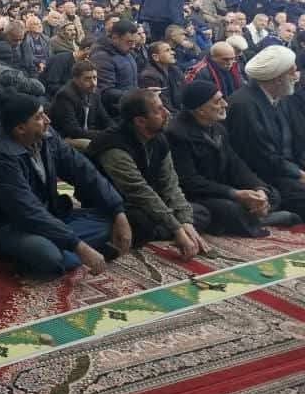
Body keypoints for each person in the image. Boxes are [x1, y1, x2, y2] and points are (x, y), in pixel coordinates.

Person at [0, 93, 131, 278]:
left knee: (110, 221)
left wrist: (118, 210)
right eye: (39, 117)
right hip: (7, 226)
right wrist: (80, 247)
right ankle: (58, 251)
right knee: (50, 257)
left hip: (49, 215)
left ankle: (63, 247)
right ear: (21, 128)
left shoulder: (47, 135)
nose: (48, 120)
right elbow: (27, 211)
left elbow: (82, 170)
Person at [89, 88, 211, 257]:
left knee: (200, 213)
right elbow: (139, 192)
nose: (166, 112)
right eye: (159, 110)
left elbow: (170, 184)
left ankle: (162, 229)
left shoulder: (159, 138)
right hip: (116, 206)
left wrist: (185, 222)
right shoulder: (113, 146)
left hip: (147, 203)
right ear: (140, 121)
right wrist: (177, 229)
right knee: (141, 222)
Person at [167, 81, 299, 237]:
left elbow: (236, 164)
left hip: (222, 188)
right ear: (200, 110)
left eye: (222, 98)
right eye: (217, 101)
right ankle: (261, 219)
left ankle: (255, 215)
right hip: (199, 195)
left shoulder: (217, 128)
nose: (225, 104)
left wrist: (258, 189)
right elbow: (189, 181)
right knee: (230, 209)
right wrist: (234, 193)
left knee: (271, 194)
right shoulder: (177, 134)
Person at [226, 45, 305, 220]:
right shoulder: (244, 105)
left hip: (288, 170)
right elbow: (261, 156)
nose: (296, 76)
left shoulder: (282, 98)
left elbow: (298, 140)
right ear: (278, 78)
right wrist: (298, 174)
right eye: (292, 72)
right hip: (264, 176)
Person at [49, 60, 112, 147]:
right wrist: (105, 135)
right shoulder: (65, 95)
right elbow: (73, 130)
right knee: (94, 145)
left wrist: (115, 132)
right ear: (76, 79)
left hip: (86, 134)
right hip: (66, 138)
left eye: (95, 78)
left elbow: (105, 119)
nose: (93, 83)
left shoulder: (95, 93)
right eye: (87, 79)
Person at [90, 19, 139, 113]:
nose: (133, 46)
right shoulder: (102, 57)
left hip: (129, 106)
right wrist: (137, 96)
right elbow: (105, 92)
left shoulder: (126, 52)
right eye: (129, 42)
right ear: (115, 38)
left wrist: (144, 92)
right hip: (114, 112)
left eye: (134, 42)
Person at [138, 41, 184, 113]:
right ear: (155, 57)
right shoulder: (149, 76)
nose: (173, 53)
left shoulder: (175, 70)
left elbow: (184, 91)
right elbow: (162, 105)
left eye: (171, 49)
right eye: (167, 50)